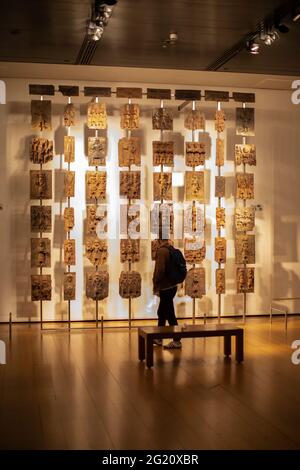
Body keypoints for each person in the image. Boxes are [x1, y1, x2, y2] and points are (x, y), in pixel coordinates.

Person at [153, 239, 182, 350]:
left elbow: (160, 270)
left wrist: (156, 282)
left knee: (169, 313)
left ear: (159, 240)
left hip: (165, 286)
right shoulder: (171, 249)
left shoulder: (162, 251)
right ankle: (159, 337)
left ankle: (177, 340)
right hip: (172, 285)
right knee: (162, 312)